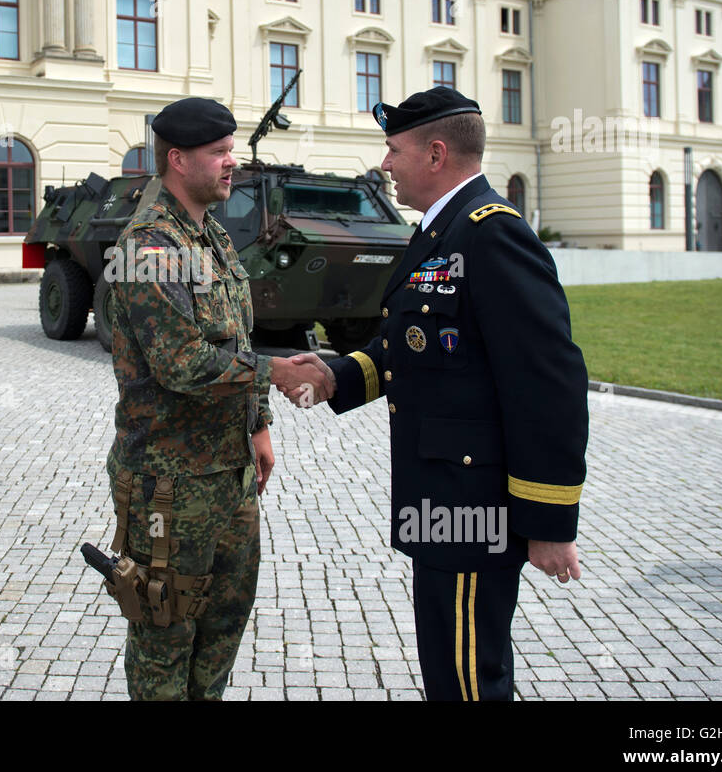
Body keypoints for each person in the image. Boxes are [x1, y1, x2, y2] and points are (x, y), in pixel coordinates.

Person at [280, 86, 589, 701]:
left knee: (470, 678)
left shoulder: (492, 235)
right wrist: (335, 375)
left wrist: (550, 521)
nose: (385, 165)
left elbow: (548, 381)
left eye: (393, 151)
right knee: (448, 669)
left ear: (437, 153)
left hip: (476, 507)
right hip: (443, 500)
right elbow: (413, 344)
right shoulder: (438, 232)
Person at [104, 96, 329, 701]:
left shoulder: (213, 241)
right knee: (164, 633)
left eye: (232, 149)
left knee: (223, 628)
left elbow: (235, 338)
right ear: (178, 159)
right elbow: (182, 365)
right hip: (168, 484)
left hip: (227, 476)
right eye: (220, 152)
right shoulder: (148, 251)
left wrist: (258, 427)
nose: (234, 163)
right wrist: (275, 374)